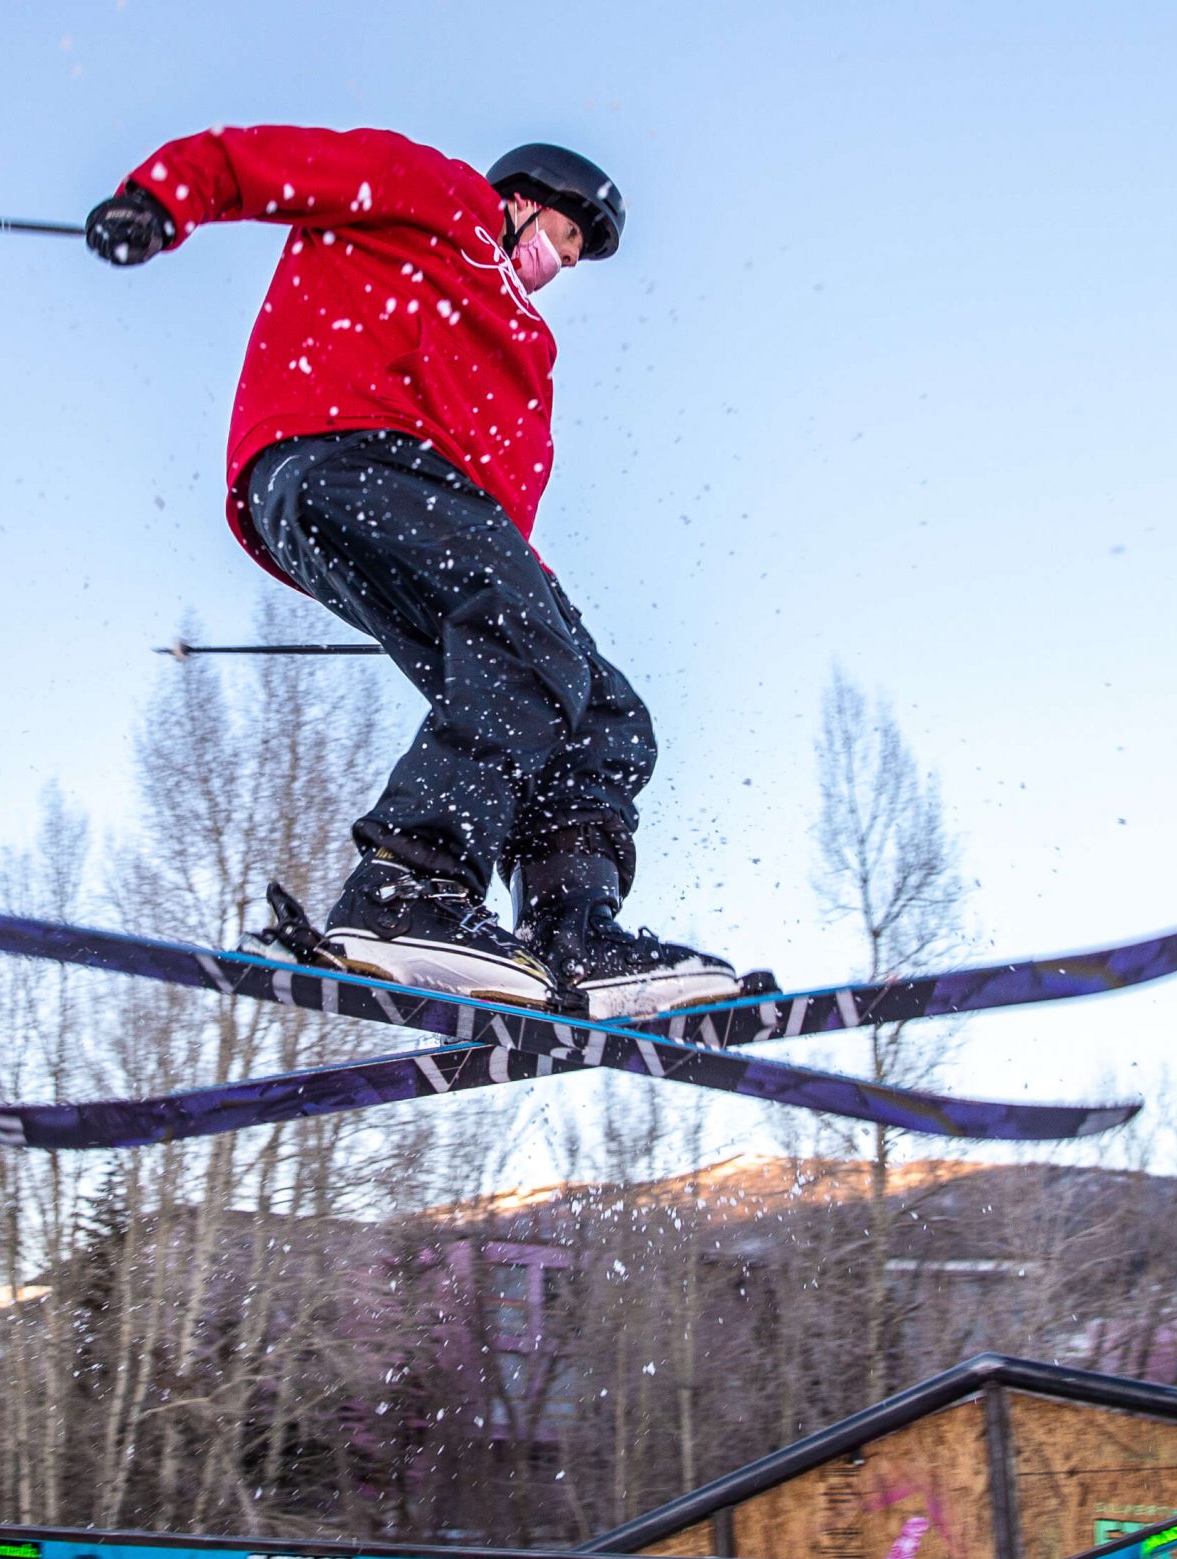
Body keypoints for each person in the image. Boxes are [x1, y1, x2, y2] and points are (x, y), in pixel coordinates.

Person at [85, 127, 741, 1018]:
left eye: (574, 259)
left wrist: (536, 612)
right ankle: (407, 888)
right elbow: (267, 163)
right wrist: (164, 196)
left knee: (601, 710)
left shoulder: (527, 348)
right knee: (530, 649)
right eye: (562, 238)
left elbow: (499, 515)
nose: (560, 264)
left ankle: (572, 934)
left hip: (435, 502)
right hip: (340, 445)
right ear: (522, 201)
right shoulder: (434, 191)